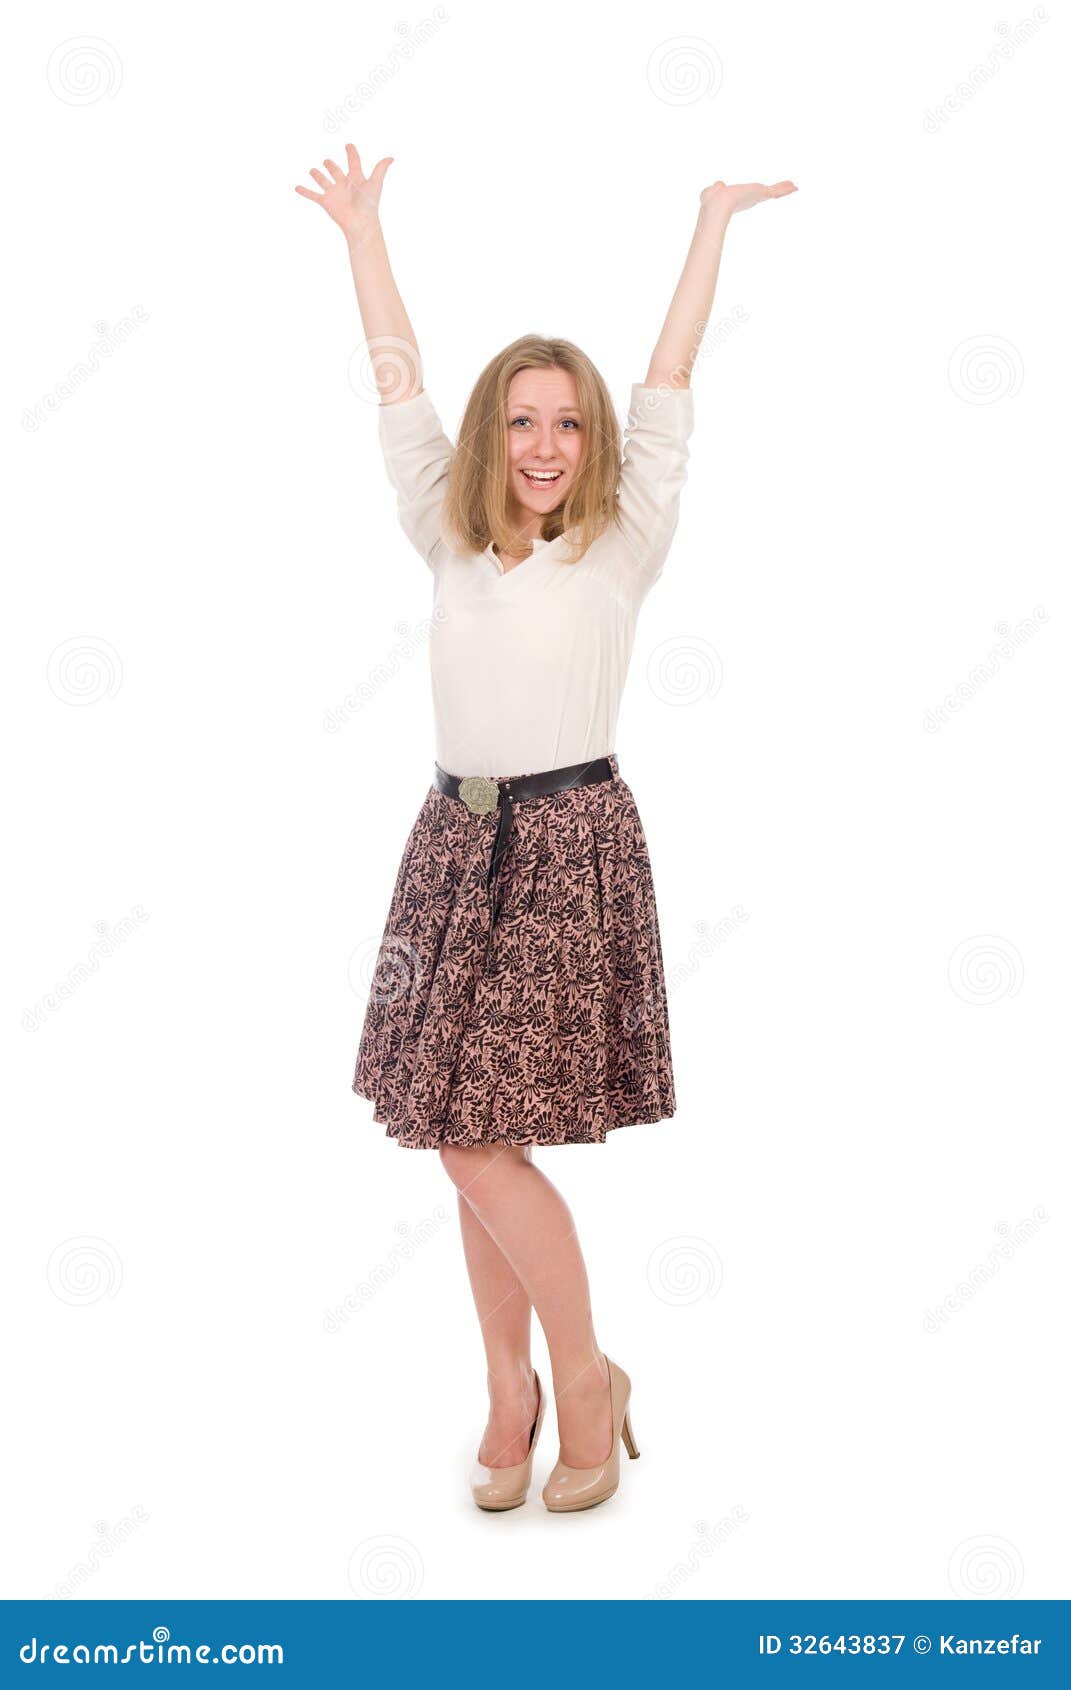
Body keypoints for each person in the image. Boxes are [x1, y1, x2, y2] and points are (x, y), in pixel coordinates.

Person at [296, 145, 795, 1512]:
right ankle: (508, 1387)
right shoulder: (447, 533)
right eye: (521, 420)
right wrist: (362, 231)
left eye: (566, 423)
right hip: (453, 850)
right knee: (464, 1133)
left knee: (477, 1138)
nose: (542, 445)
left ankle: (582, 1378)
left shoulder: (624, 540)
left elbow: (671, 383)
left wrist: (709, 226)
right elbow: (396, 379)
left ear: (592, 444)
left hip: (568, 852)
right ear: (490, 435)